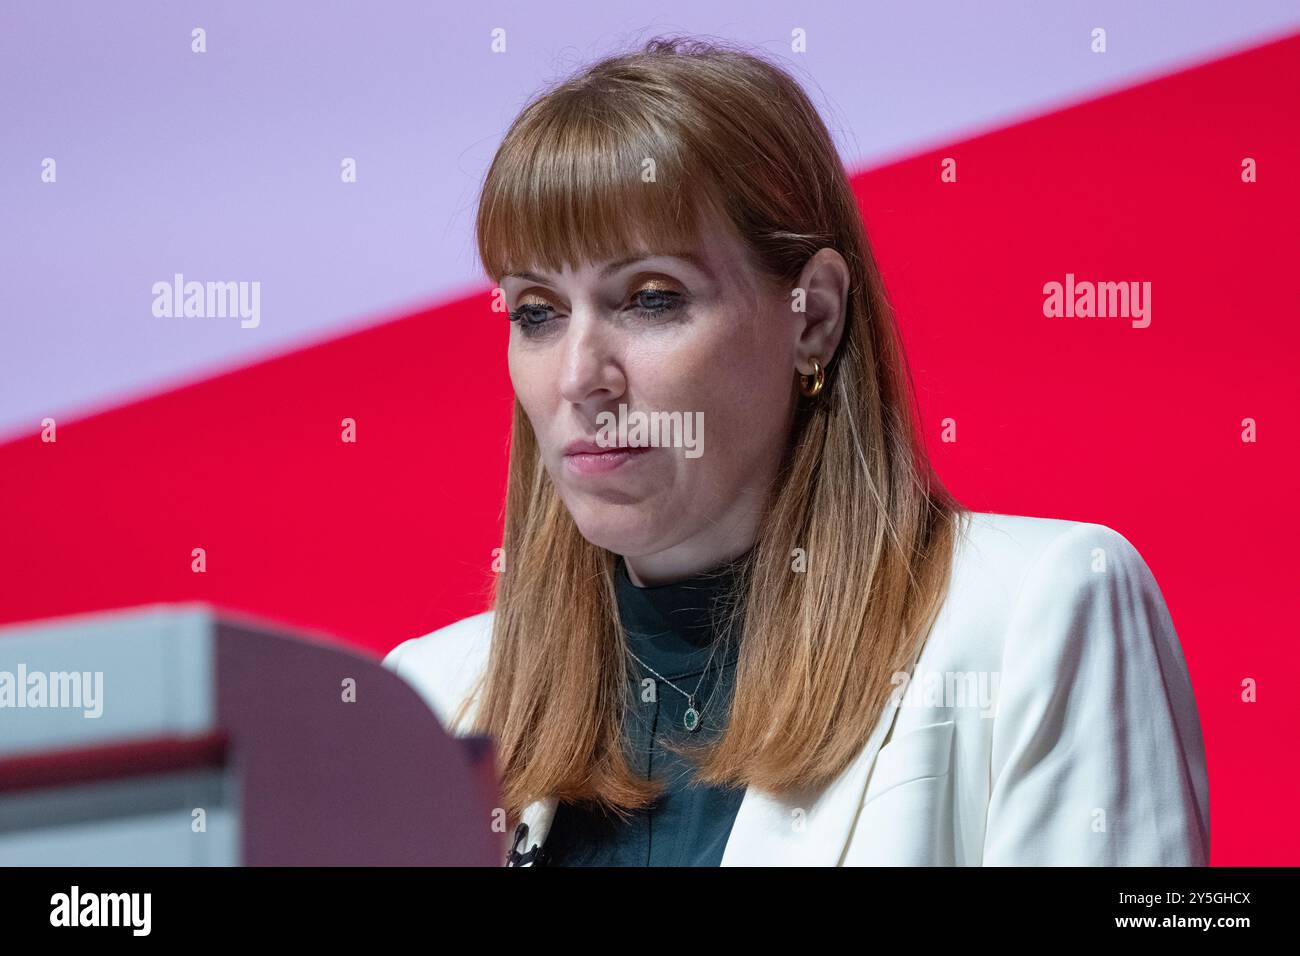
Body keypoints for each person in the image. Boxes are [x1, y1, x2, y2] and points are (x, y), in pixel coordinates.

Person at [383, 36, 1210, 866]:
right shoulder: (428, 700)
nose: (578, 377)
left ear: (811, 316)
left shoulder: (1037, 610)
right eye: (535, 312)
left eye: (650, 299)